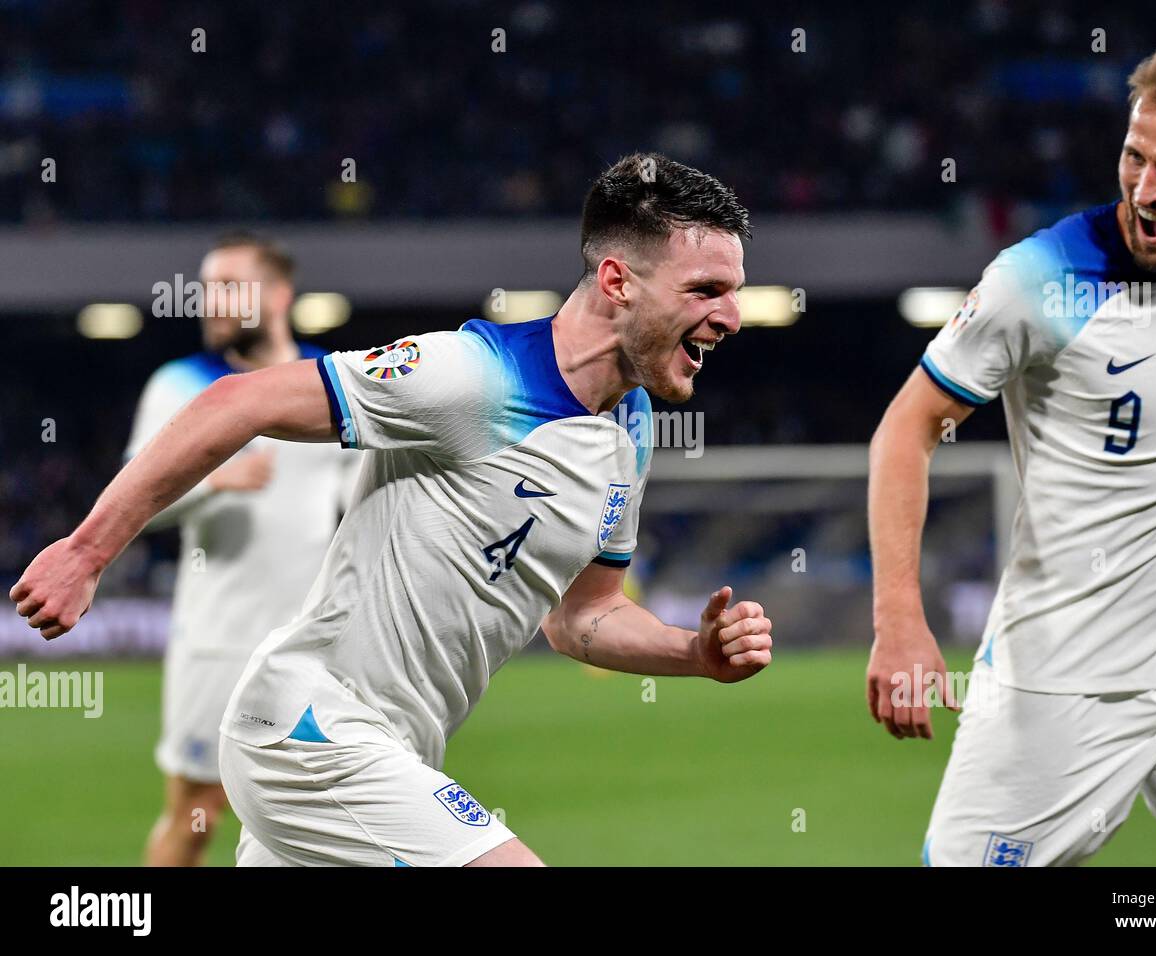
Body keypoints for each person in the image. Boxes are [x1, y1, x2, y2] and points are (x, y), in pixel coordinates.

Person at [11, 154, 774, 867]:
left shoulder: (629, 431)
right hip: (310, 731)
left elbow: (582, 616)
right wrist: (86, 552)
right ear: (616, 280)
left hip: (394, 752)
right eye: (706, 290)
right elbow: (236, 401)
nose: (733, 316)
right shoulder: (466, 377)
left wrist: (692, 655)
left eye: (734, 292)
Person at [867, 40, 1156, 866]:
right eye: (1134, 159)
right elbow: (906, 429)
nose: (1143, 191)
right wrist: (899, 623)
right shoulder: (1038, 280)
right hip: (1053, 684)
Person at [129, 233, 356, 866]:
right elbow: (132, 507)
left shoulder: (331, 383)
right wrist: (207, 480)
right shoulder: (179, 385)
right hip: (217, 643)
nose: (210, 301)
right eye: (206, 288)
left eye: (230, 285)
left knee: (321, 825)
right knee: (195, 816)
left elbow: (358, 496)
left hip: (313, 649)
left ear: (279, 295)